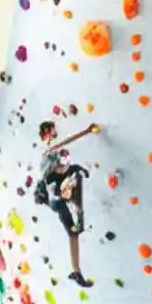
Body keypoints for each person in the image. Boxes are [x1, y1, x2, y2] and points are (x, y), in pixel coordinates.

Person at [33, 120, 101, 288]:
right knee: (72, 227)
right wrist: (86, 131)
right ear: (46, 134)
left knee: (73, 234)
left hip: (53, 195)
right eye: (52, 130)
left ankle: (76, 271)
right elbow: (66, 142)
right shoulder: (49, 152)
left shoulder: (53, 155)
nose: (55, 133)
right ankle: (76, 271)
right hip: (52, 194)